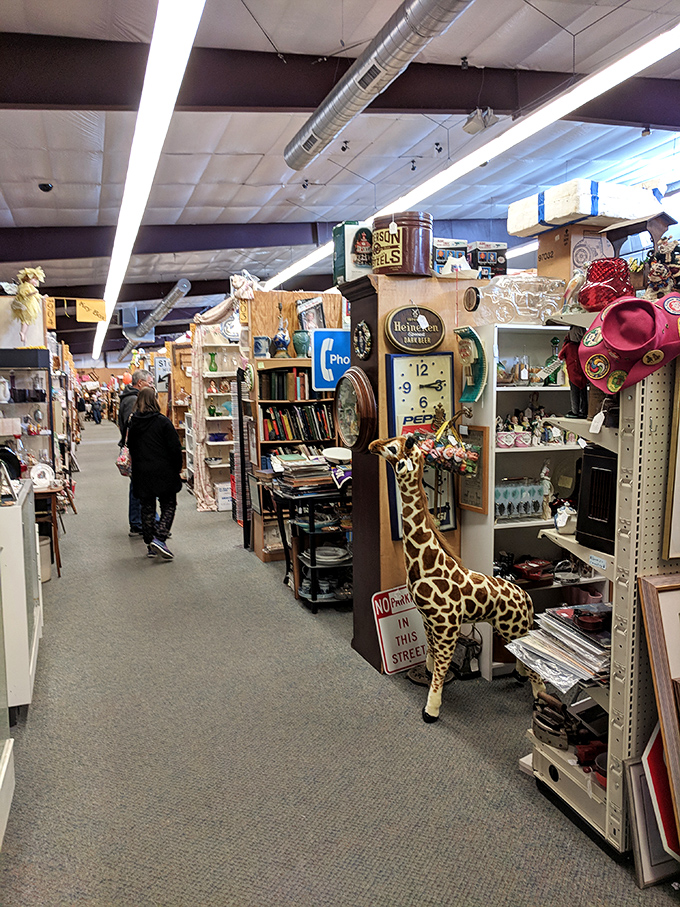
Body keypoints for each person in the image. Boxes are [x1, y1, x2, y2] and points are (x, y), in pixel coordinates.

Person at [126, 386, 182, 560]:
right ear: (155, 400)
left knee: (147, 507)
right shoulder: (163, 422)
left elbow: (131, 447)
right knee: (169, 505)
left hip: (142, 471)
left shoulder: (133, 422)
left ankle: (150, 544)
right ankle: (160, 538)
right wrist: (177, 467)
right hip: (163, 470)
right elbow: (175, 448)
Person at [118, 369, 154, 536]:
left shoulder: (130, 398)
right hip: (136, 448)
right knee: (139, 485)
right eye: (150, 383)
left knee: (141, 484)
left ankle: (147, 521)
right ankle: (139, 522)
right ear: (140, 383)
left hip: (137, 447)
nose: (152, 386)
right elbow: (130, 425)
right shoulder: (133, 399)